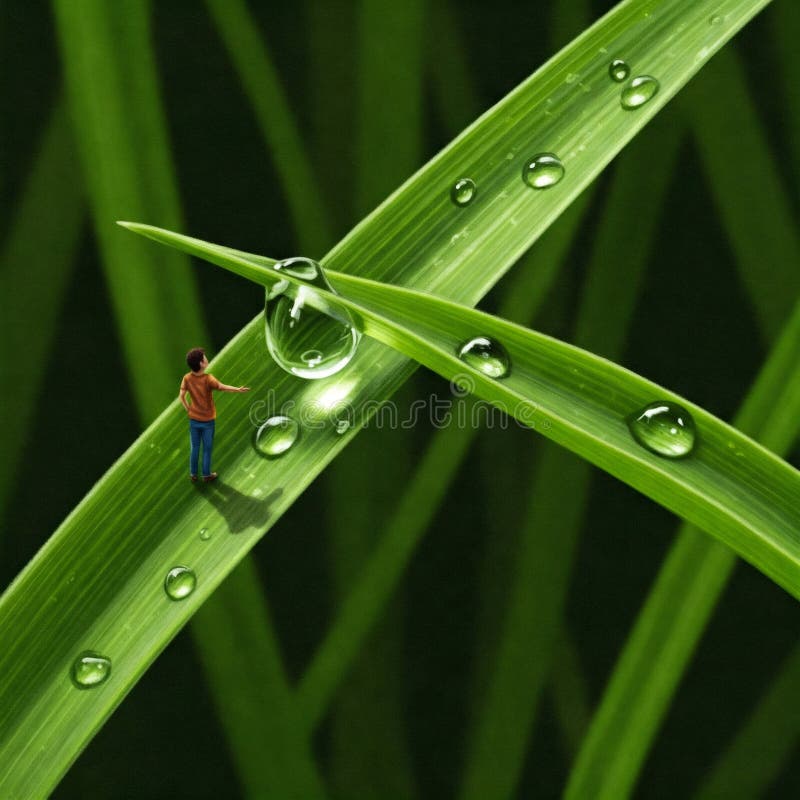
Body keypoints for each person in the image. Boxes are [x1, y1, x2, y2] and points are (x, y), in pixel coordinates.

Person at [180, 347, 250, 482]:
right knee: (206, 448)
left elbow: (181, 396)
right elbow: (223, 387)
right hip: (207, 420)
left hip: (194, 419)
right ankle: (206, 475)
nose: (207, 360)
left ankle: (193, 474)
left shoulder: (187, 378)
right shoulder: (208, 379)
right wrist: (238, 389)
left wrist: (188, 408)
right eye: (205, 358)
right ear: (201, 364)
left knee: (194, 447)